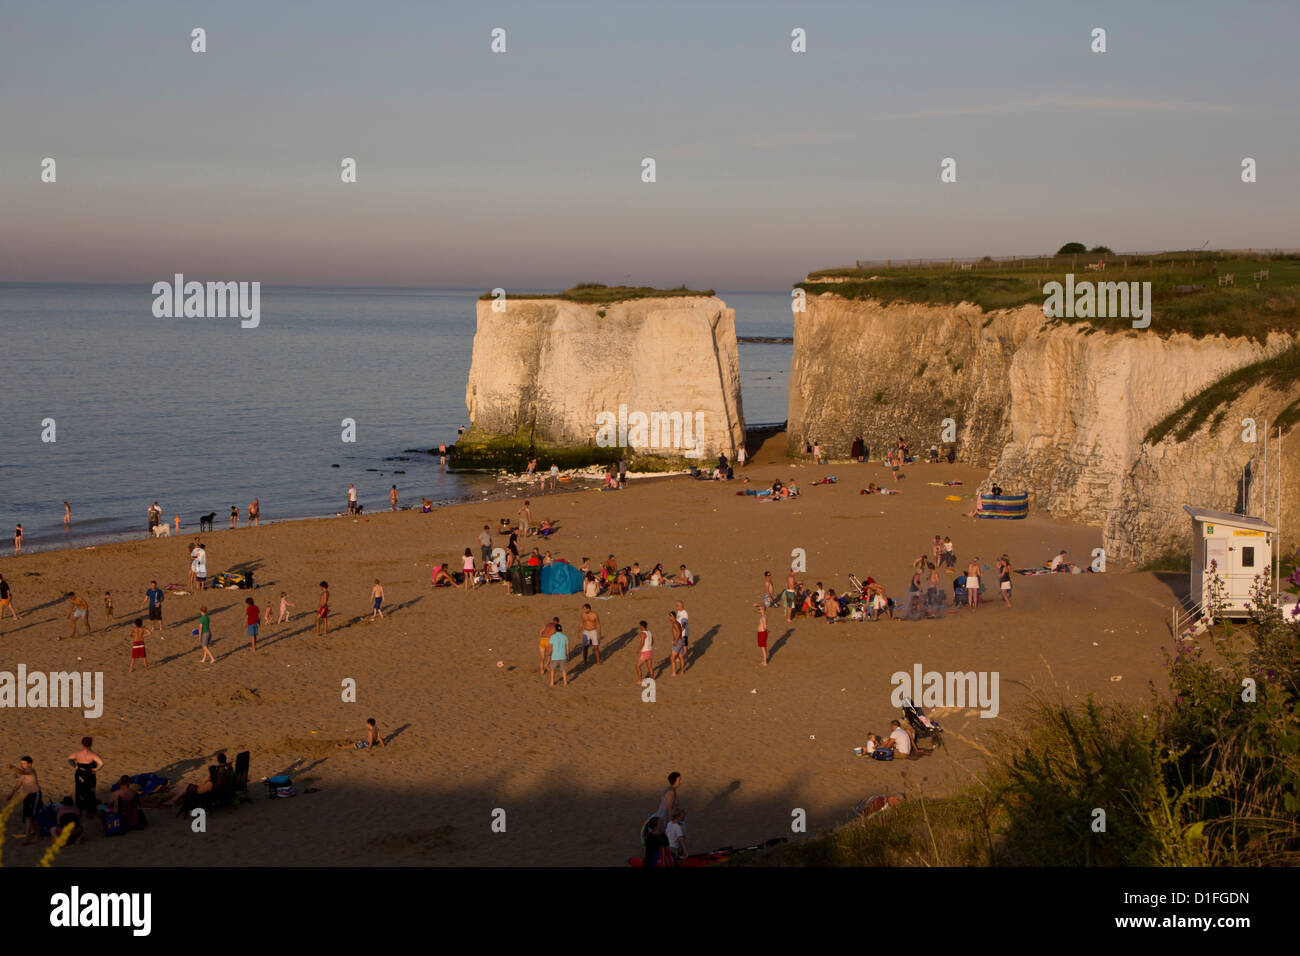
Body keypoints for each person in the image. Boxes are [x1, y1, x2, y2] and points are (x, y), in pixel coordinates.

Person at [6, 756, 41, 843]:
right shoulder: (23, 774)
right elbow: (18, 784)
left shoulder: (31, 771)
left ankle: (31, 836)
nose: (22, 765)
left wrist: (12, 767)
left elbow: (21, 771)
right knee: (28, 817)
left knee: (31, 817)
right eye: (21, 763)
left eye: (24, 763)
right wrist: (11, 794)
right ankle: (32, 835)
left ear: (30, 764)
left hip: (34, 795)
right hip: (27, 796)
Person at [68, 737, 104, 817]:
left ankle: (80, 808)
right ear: (91, 744)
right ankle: (89, 809)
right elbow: (101, 763)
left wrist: (75, 766)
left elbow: (69, 759)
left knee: (79, 790)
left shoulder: (78, 753)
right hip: (89, 774)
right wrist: (96, 769)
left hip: (80, 773)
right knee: (90, 791)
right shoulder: (93, 754)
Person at [668, 611, 685, 676]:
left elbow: (678, 632)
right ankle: (682, 671)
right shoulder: (677, 623)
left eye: (669, 616)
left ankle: (674, 673)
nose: (669, 618)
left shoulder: (675, 623)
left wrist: (675, 641)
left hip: (678, 641)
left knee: (672, 657)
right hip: (681, 641)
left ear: (672, 616)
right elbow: (681, 629)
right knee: (680, 657)